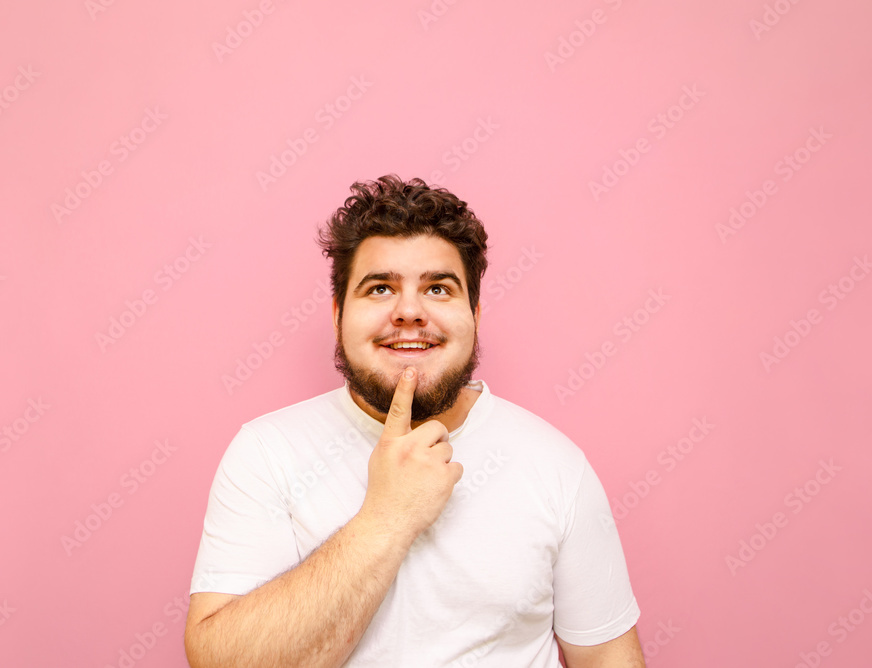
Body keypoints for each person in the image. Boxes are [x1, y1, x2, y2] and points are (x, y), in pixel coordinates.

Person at [185, 175, 645, 667]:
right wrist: (388, 517)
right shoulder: (265, 453)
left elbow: (607, 657)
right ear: (339, 314)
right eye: (380, 288)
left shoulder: (556, 465)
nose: (409, 311)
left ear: (475, 314)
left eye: (438, 288)